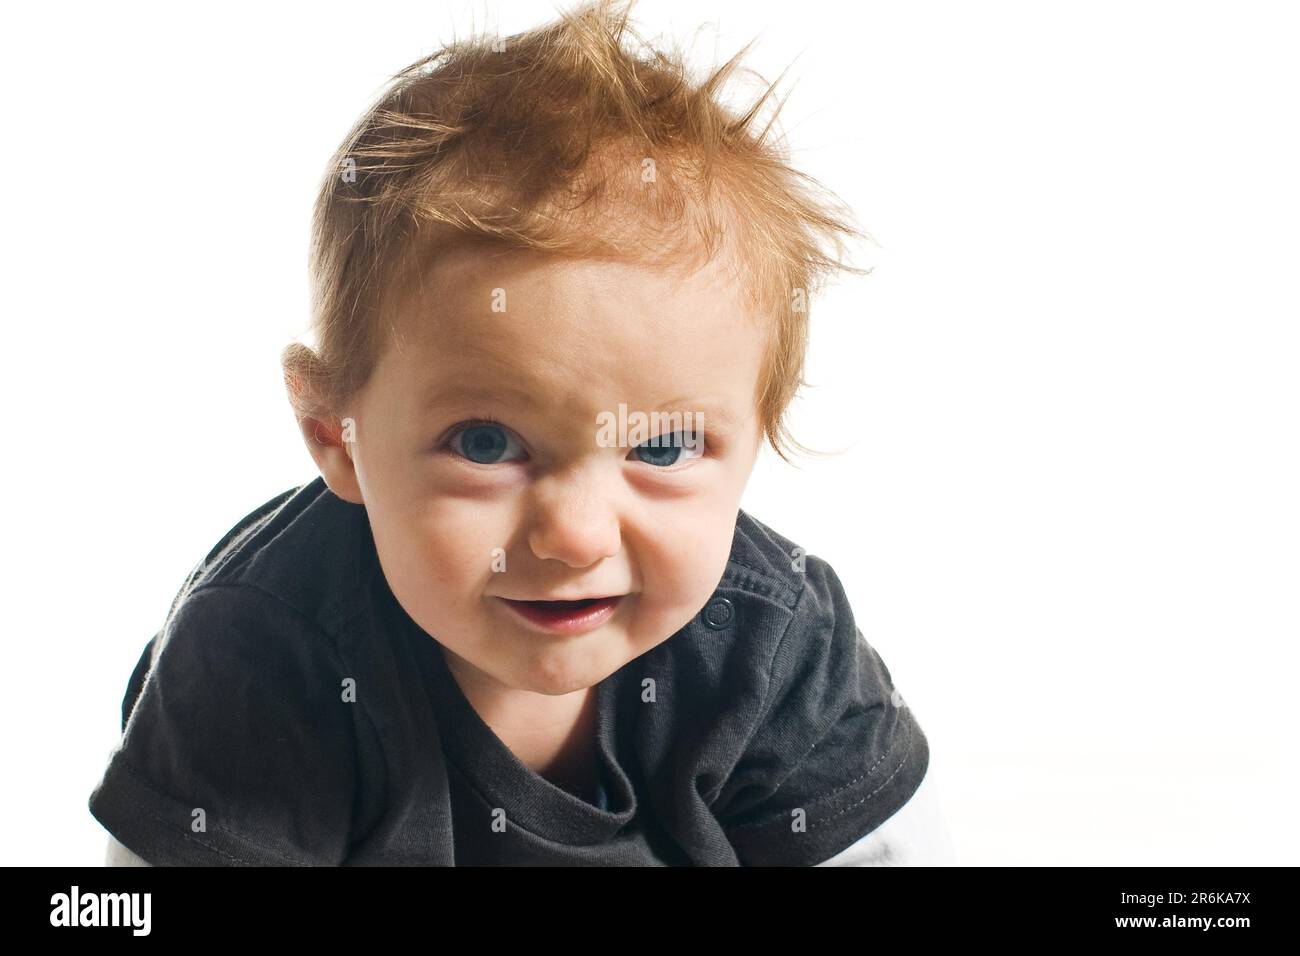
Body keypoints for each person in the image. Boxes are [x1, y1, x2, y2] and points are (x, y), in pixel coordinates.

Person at [91, 0, 956, 866]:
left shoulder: (775, 646)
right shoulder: (265, 654)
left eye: (661, 448)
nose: (576, 536)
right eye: (485, 444)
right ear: (336, 437)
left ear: (759, 432)